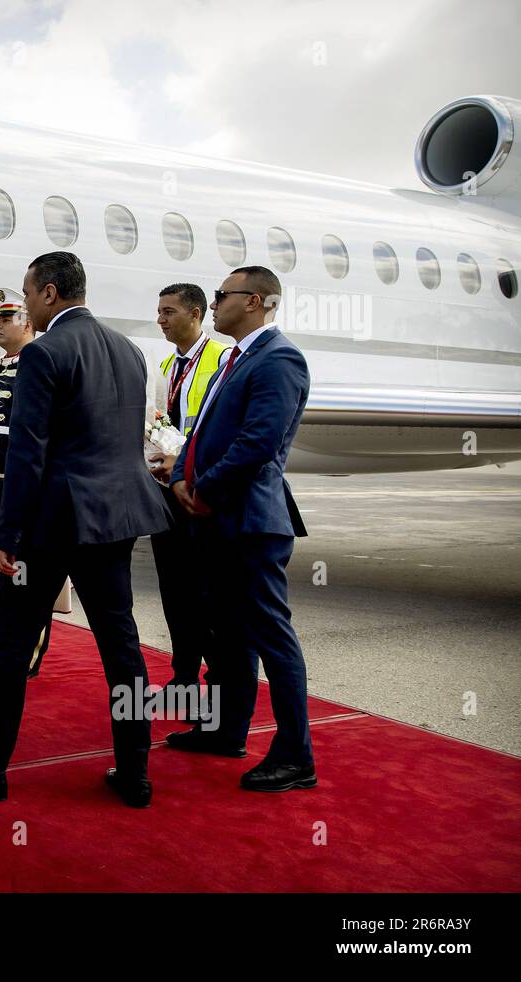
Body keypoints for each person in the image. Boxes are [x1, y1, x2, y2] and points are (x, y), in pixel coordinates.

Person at [0, 252, 171, 807]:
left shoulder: (44, 353)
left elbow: (28, 453)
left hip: (51, 526)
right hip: (116, 520)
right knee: (123, 647)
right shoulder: (130, 350)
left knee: (12, 645)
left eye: (27, 291)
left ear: (50, 293)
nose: (25, 305)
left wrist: (6, 536)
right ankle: (135, 773)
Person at [169, 266, 315, 793]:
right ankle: (228, 732)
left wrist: (202, 488)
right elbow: (200, 428)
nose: (212, 304)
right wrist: (181, 474)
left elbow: (257, 444)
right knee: (229, 637)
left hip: (251, 520)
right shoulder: (232, 359)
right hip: (217, 518)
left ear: (253, 301)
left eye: (220, 295)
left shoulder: (279, 359)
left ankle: (296, 755)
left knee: (271, 637)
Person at [148, 284, 228, 690]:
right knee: (174, 592)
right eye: (159, 311)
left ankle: (216, 682)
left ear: (196, 314)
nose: (161, 319)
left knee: (206, 595)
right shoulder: (164, 369)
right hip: (167, 494)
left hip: (201, 492)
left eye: (169, 311)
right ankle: (183, 679)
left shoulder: (222, 361)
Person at [0, 287, 55, 690]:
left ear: (28, 322)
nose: (0, 325)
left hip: (16, 479)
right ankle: (0, 646)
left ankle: (28, 650)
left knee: (21, 573)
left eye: (7, 319)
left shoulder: (37, 364)